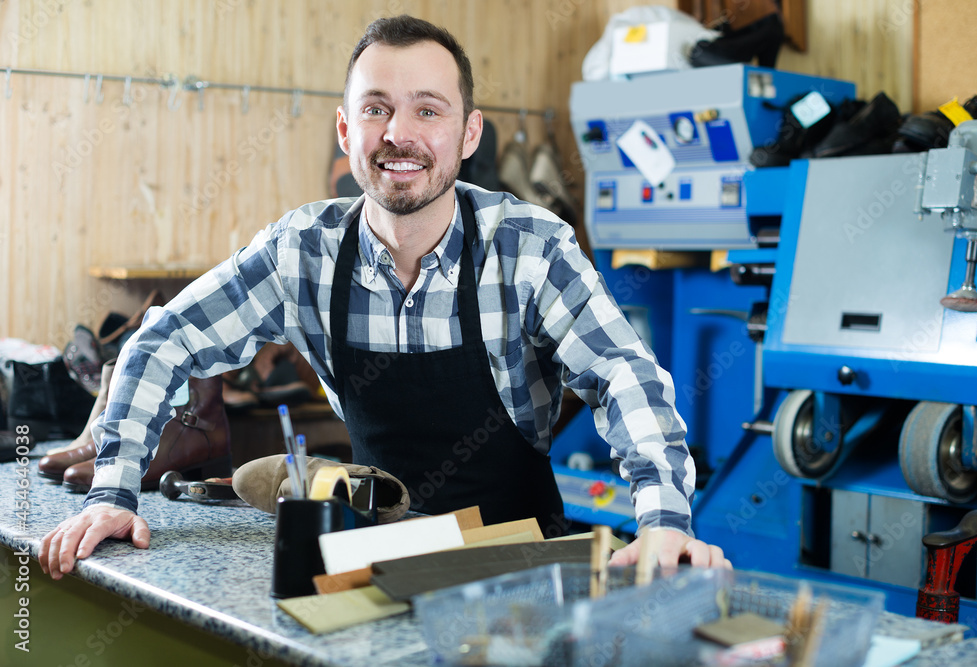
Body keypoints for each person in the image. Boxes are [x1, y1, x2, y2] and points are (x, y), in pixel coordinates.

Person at [40, 15, 730, 580]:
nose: (400, 134)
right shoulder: (302, 251)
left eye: (428, 110)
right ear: (347, 131)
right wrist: (112, 492)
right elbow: (164, 339)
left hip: (519, 568)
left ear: (467, 135)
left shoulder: (527, 247)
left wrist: (665, 520)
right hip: (369, 562)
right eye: (377, 109)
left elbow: (624, 374)